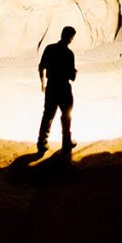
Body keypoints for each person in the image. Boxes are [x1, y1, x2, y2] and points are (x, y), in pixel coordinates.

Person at [37, 25, 77, 154]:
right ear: (71, 38)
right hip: (64, 88)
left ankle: (42, 143)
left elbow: (41, 67)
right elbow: (72, 77)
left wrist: (43, 83)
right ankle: (66, 142)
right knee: (66, 115)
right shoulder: (69, 54)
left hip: (52, 86)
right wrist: (75, 72)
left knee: (48, 114)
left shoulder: (50, 48)